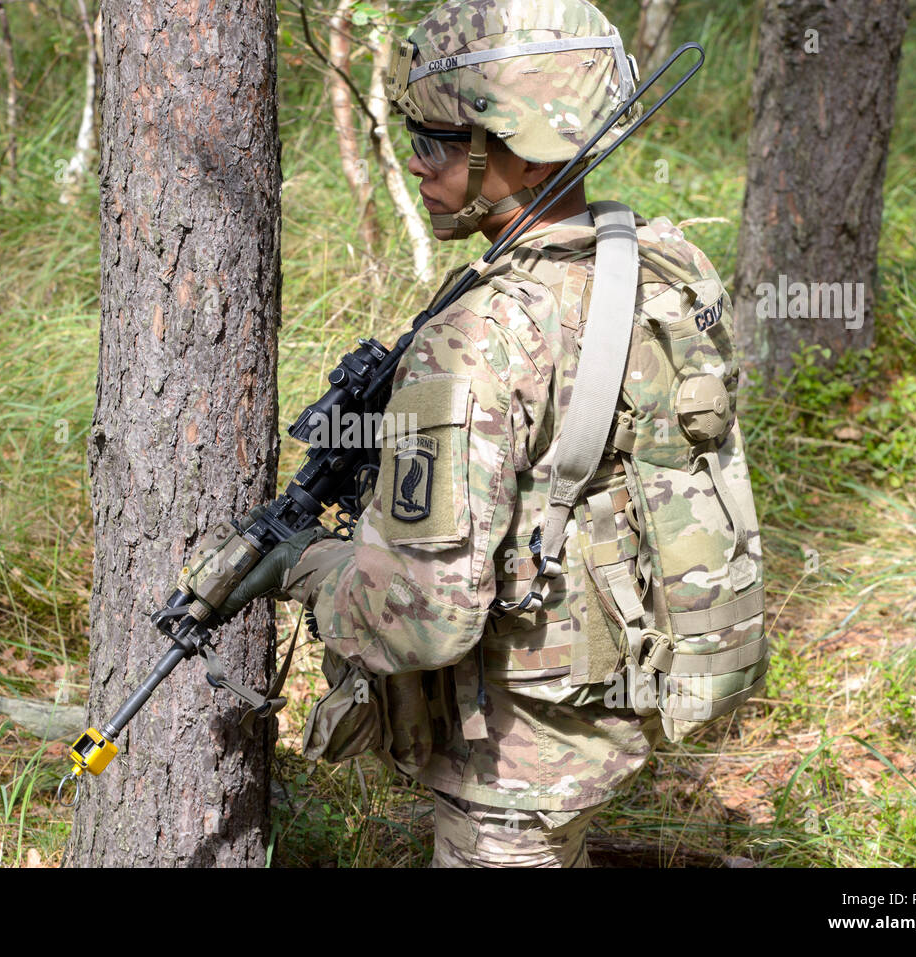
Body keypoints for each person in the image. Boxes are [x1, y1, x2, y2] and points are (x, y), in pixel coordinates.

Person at [222, 0, 743, 867]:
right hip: (613, 693)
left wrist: (305, 567)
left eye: (432, 143)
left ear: (508, 149)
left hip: (513, 760)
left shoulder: (482, 336)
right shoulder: (653, 260)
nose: (418, 166)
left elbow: (423, 619)